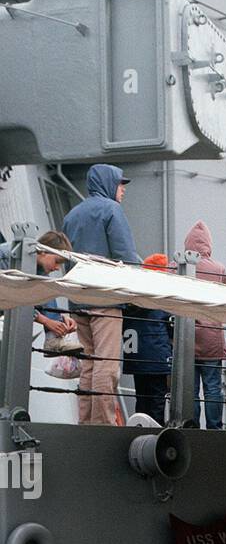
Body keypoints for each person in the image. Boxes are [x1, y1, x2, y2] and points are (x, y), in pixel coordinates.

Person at [62, 164, 139, 424]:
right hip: (106, 299)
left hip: (78, 298)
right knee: (107, 364)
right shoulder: (111, 210)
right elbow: (125, 256)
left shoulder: (72, 214)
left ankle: (85, 423)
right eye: (120, 184)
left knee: (88, 364)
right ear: (108, 184)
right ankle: (103, 424)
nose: (123, 190)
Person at [183, 220, 226, 430]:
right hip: (211, 338)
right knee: (212, 388)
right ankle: (215, 428)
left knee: (190, 390)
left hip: (187, 338)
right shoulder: (218, 268)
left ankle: (191, 427)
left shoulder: (178, 266)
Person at [0, 229, 77, 345]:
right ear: (43, 251)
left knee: (46, 286)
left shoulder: (38, 267)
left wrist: (58, 319)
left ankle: (54, 338)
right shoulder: (7, 258)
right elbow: (12, 298)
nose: (57, 268)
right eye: (57, 261)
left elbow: (37, 299)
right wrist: (46, 321)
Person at [122, 254, 173, 425]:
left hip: (135, 356)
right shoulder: (160, 297)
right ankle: (155, 434)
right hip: (157, 356)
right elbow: (170, 325)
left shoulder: (132, 296)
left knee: (141, 398)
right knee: (157, 400)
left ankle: (139, 429)